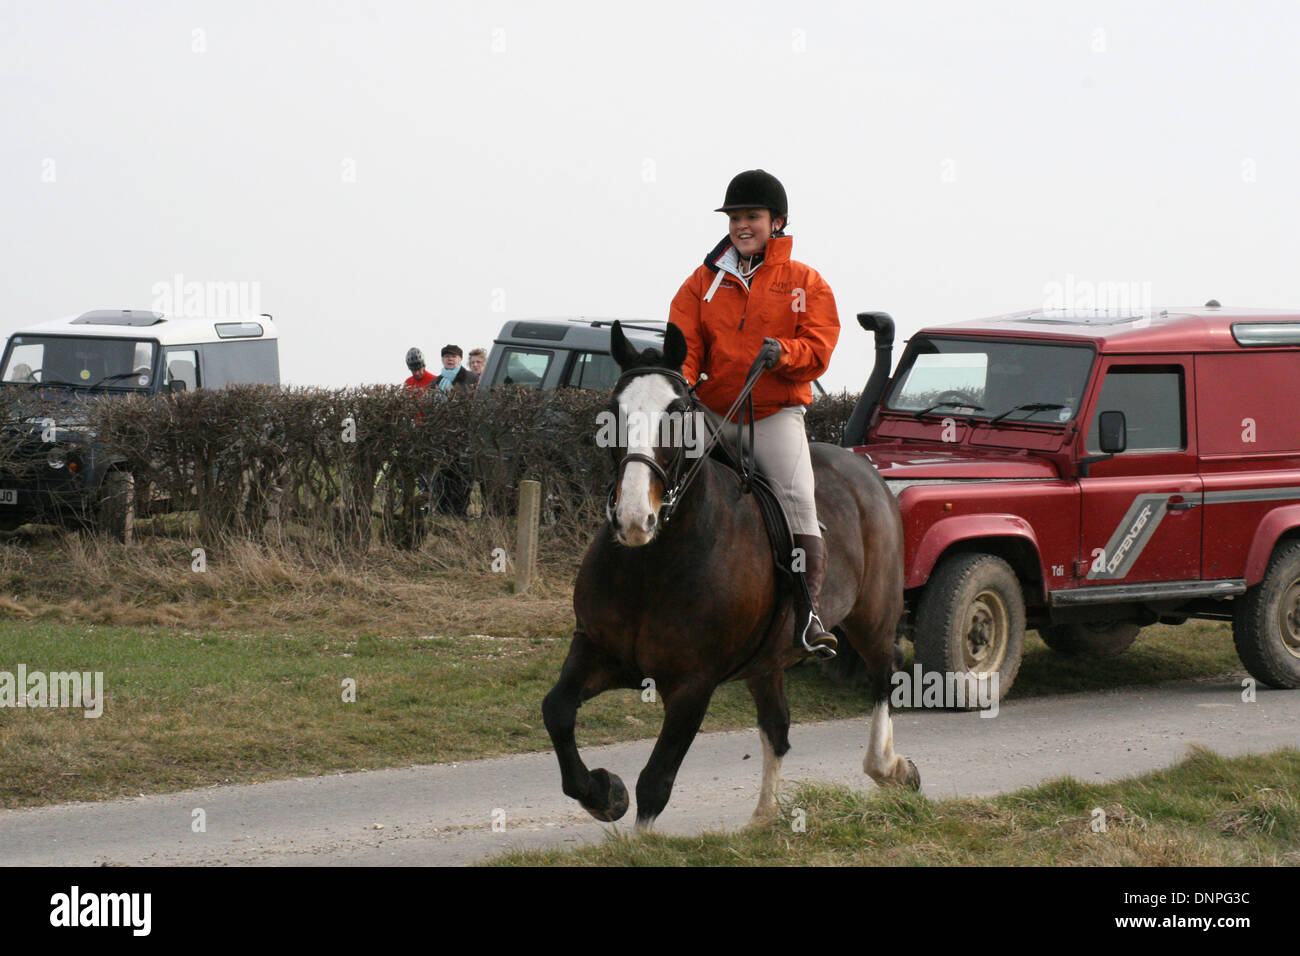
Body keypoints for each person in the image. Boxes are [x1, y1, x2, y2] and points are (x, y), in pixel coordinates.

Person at [669, 169, 841, 657]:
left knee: (797, 499)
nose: (742, 225)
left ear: (776, 222)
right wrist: (681, 378)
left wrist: (783, 352)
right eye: (735, 218)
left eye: (752, 217)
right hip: (712, 411)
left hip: (772, 414)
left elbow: (819, 347)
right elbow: (685, 343)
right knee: (659, 473)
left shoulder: (805, 282)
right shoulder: (701, 282)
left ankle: (808, 613)